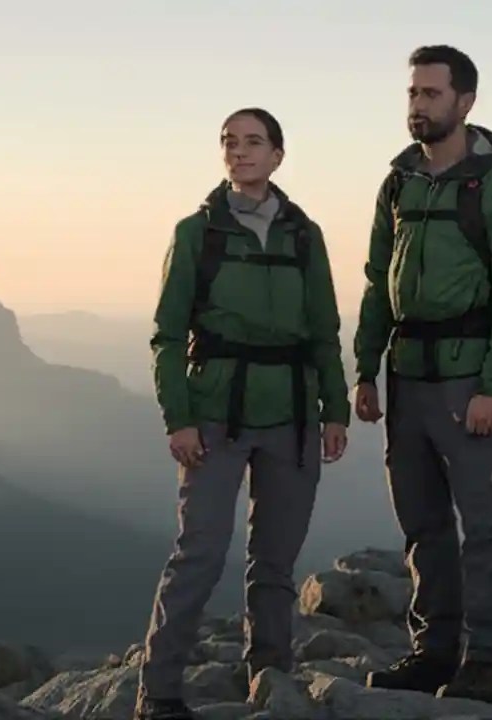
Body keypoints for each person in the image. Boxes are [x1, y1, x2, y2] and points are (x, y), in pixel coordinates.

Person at [134, 107, 351, 720]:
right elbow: (167, 336)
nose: (239, 151)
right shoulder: (196, 233)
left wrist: (335, 410)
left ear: (278, 155)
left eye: (254, 142)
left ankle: (270, 678)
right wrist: (178, 418)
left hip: (293, 414)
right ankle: (158, 693)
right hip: (214, 416)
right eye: (230, 141)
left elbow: (324, 331)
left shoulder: (304, 235)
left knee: (275, 562)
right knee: (199, 555)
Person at [351, 44, 492, 705]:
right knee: (422, 522)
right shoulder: (398, 184)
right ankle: (432, 652)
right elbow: (377, 280)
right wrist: (365, 368)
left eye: (431, 93)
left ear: (465, 101)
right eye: (413, 93)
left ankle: (486, 660)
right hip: (406, 378)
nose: (418, 105)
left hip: (468, 381)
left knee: (484, 526)